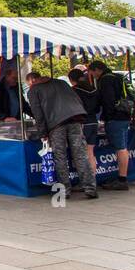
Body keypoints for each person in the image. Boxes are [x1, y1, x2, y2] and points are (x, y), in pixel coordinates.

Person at [26, 70, 98, 199]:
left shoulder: (34, 90)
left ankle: (64, 190)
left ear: (32, 81)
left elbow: (38, 114)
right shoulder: (61, 83)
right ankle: (90, 188)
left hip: (56, 124)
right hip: (75, 119)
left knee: (60, 157)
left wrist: (43, 133)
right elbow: (76, 99)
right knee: (81, 155)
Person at [88, 59, 132, 190]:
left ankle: (122, 179)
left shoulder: (106, 80)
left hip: (115, 118)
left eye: (93, 73)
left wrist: (105, 116)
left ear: (97, 70)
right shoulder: (117, 77)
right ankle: (122, 177)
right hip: (124, 116)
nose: (93, 76)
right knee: (123, 147)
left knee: (121, 148)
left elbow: (108, 100)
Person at [67, 67, 100, 176]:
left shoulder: (74, 91)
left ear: (71, 79)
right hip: (94, 121)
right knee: (90, 152)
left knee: (82, 154)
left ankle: (86, 180)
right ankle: (92, 178)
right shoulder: (93, 89)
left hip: (82, 123)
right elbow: (98, 107)